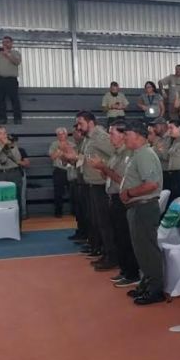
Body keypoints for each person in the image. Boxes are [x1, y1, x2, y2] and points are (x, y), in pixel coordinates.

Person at [89, 120, 141, 283]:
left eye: (112, 133)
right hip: (113, 197)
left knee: (125, 237)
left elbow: (123, 180)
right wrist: (103, 170)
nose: (109, 137)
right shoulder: (116, 153)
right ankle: (125, 270)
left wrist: (104, 168)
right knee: (118, 237)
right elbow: (111, 176)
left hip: (123, 199)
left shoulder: (128, 154)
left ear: (123, 134)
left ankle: (131, 273)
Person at [120, 120, 165, 305]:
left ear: (138, 136)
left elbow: (151, 184)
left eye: (127, 134)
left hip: (143, 207)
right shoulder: (137, 154)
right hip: (138, 207)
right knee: (141, 250)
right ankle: (147, 284)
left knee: (147, 250)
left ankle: (155, 290)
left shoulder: (144, 154)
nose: (124, 138)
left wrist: (129, 192)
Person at [72, 111, 116, 269]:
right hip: (91, 182)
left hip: (100, 184)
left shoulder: (100, 137)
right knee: (96, 221)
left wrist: (102, 166)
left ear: (90, 123)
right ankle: (103, 250)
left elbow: (115, 154)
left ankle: (111, 255)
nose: (78, 127)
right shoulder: (89, 139)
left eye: (80, 123)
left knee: (104, 223)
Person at [0, 126, 23, 215]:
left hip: (14, 173)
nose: (4, 135)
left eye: (5, 133)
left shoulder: (13, 144)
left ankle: (17, 225)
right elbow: (0, 159)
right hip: (0, 175)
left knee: (16, 199)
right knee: (1, 200)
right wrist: (4, 146)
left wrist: (8, 145)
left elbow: (18, 158)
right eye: (0, 133)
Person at [0, 36, 22, 124]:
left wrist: (8, 54)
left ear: (11, 43)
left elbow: (17, 62)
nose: (5, 44)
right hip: (0, 79)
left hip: (11, 79)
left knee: (14, 99)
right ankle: (2, 118)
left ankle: (17, 118)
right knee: (1, 100)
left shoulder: (15, 53)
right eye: (3, 42)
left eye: (7, 42)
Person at [48, 127, 75, 218]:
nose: (61, 136)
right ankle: (58, 212)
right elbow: (52, 157)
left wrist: (67, 150)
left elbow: (74, 157)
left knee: (73, 192)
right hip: (59, 170)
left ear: (66, 135)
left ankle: (75, 211)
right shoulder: (54, 144)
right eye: (59, 134)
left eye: (62, 133)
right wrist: (60, 150)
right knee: (58, 192)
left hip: (70, 169)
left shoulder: (72, 144)